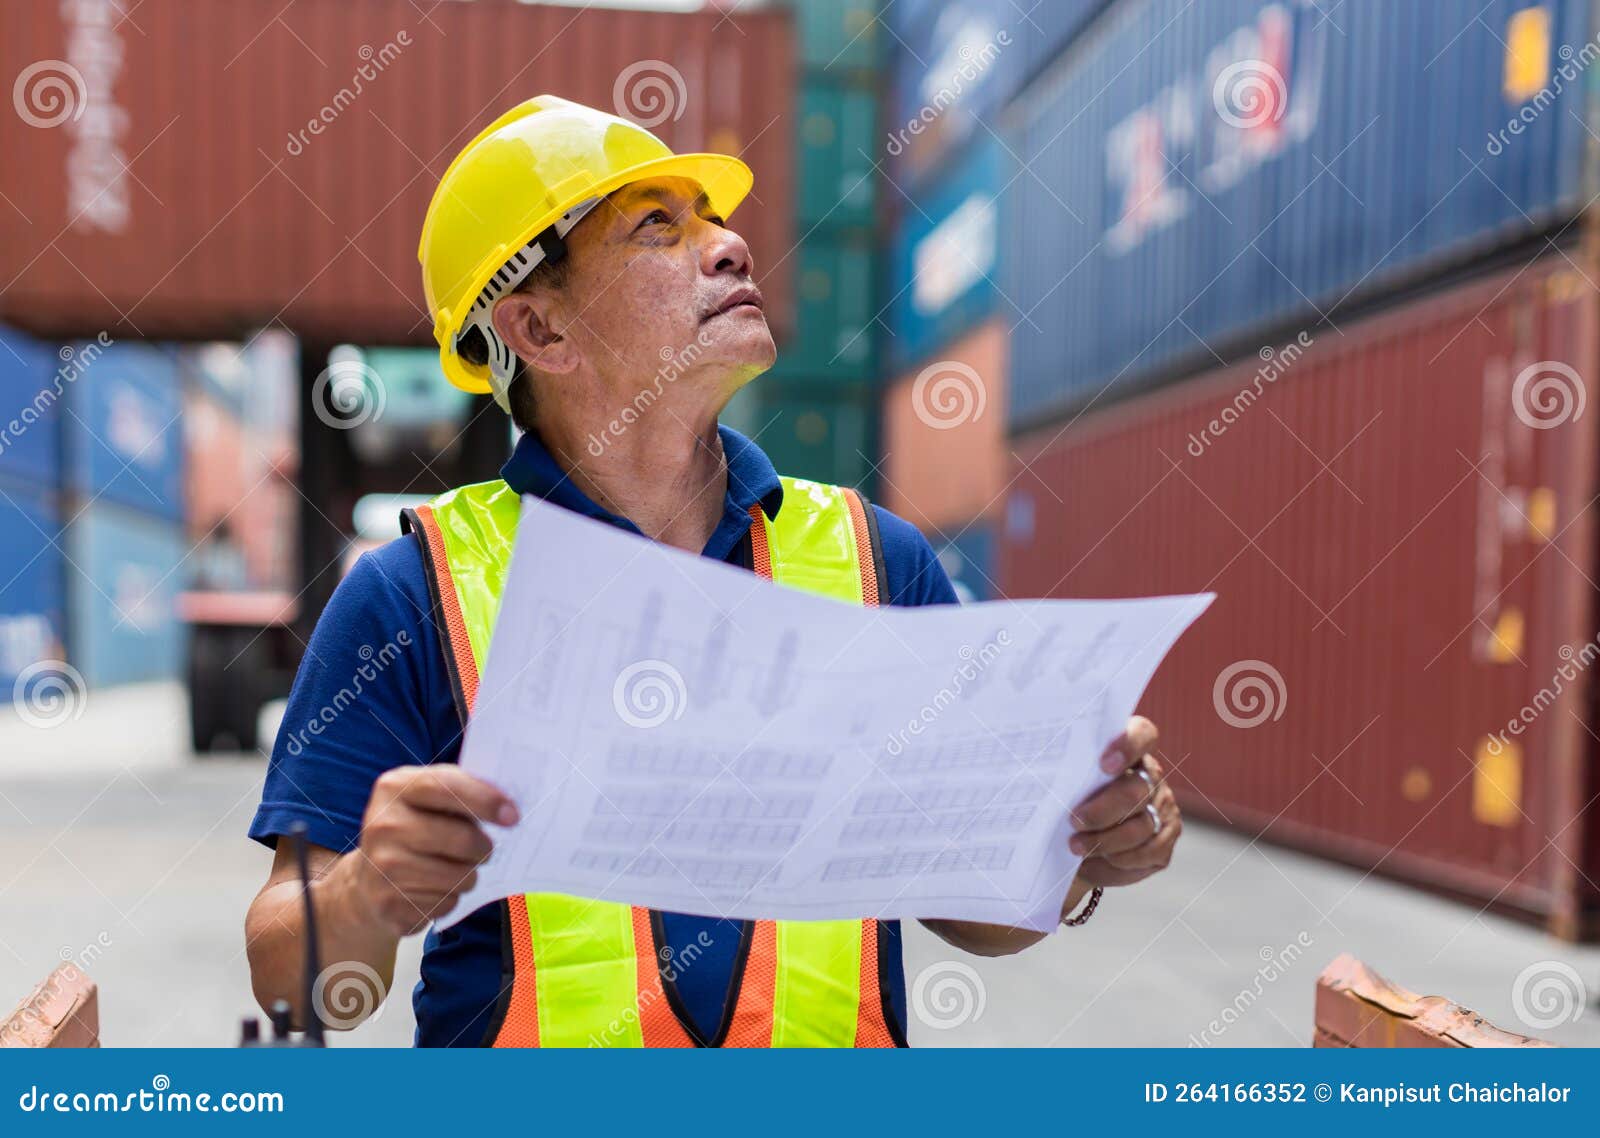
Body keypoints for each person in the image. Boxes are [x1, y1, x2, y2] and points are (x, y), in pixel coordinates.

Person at [245, 95, 1183, 1047]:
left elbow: (974, 906)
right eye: (657, 228)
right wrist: (365, 890)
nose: (731, 247)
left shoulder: (877, 561)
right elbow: (294, 984)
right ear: (539, 330)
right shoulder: (413, 592)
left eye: (714, 220)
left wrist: (1079, 852)